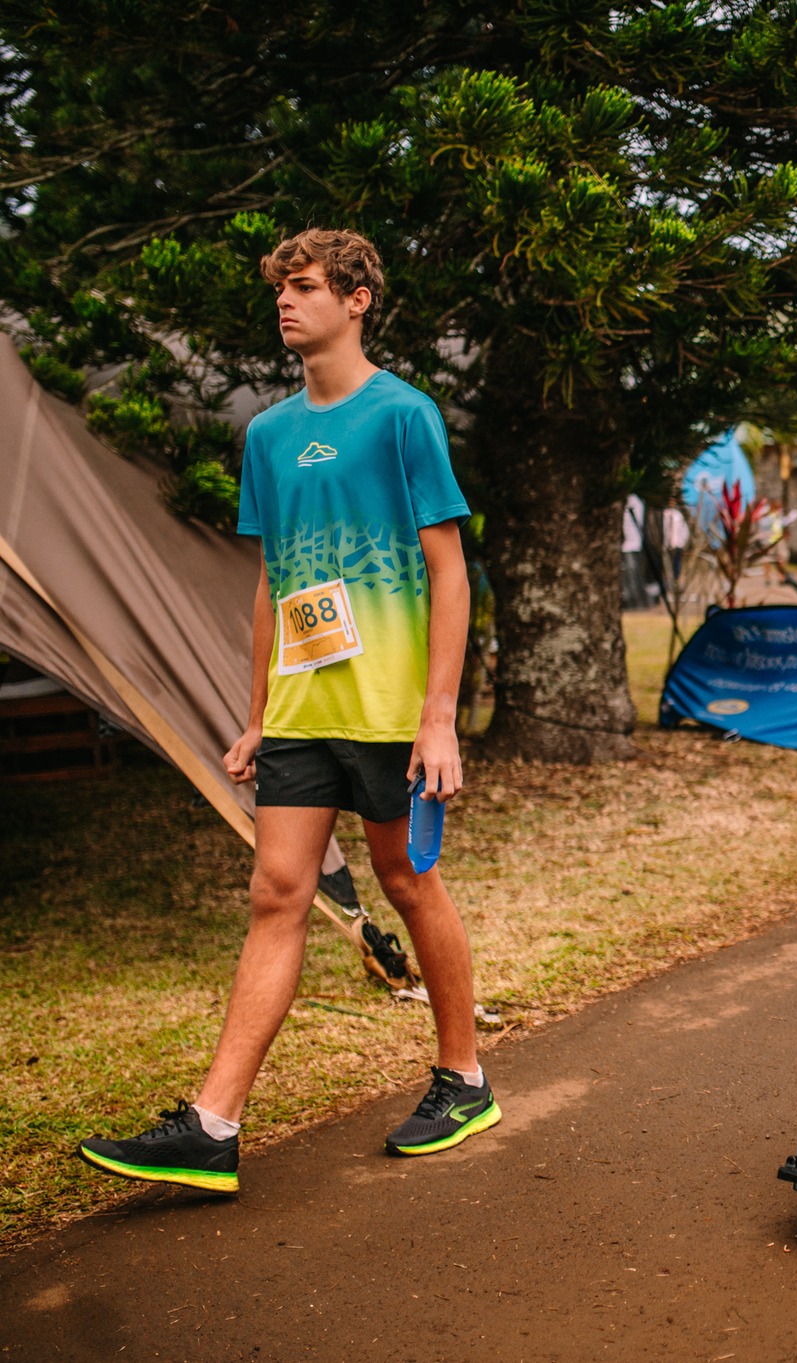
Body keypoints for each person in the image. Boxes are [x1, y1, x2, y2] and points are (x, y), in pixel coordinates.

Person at [77, 228, 499, 1195]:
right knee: (278, 893)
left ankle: (464, 1076)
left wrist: (439, 717)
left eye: (305, 287)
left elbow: (449, 572)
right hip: (303, 712)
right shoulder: (267, 434)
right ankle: (213, 1124)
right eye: (281, 289)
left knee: (404, 878)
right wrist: (259, 709)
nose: (286, 302)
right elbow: (272, 583)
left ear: (357, 300)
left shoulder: (405, 417)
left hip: (391, 710)